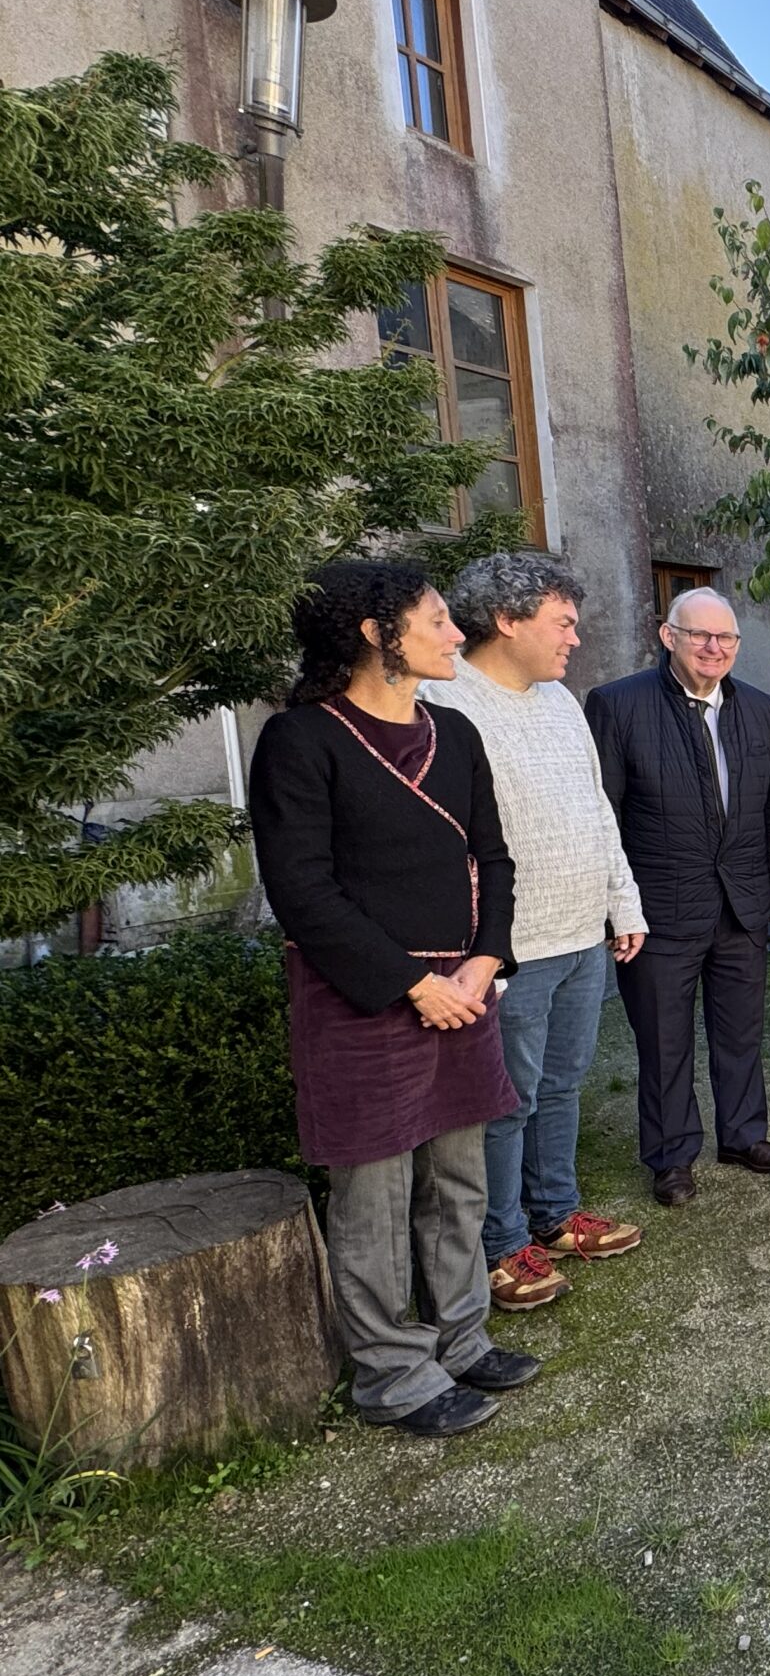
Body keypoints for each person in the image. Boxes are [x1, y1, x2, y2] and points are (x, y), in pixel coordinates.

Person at [248, 560, 536, 1439]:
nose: (457, 634)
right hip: (363, 997)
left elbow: (494, 858)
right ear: (377, 633)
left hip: (464, 989)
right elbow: (304, 891)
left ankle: (459, 1336)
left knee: (458, 1180)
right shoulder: (303, 742)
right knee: (372, 1196)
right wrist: (415, 985)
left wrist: (482, 968)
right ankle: (392, 1374)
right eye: (440, 620)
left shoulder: (456, 734)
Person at [437, 554, 648, 1314]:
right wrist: (474, 950)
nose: (575, 640)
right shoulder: (444, 701)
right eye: (562, 623)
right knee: (508, 1099)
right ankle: (500, 1245)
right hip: (508, 947)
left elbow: (597, 810)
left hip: (581, 933)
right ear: (507, 620)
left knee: (562, 1085)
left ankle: (557, 1215)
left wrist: (622, 904)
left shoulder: (561, 701)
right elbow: (448, 842)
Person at [586, 588, 770, 1206]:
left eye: (725, 638)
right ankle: (672, 1156)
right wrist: (618, 907)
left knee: (740, 1032)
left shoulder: (757, 709)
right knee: (664, 1040)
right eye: (699, 635)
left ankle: (742, 1135)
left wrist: (766, 895)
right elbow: (605, 814)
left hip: (740, 905)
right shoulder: (617, 705)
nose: (714, 647)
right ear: (666, 635)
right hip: (658, 911)